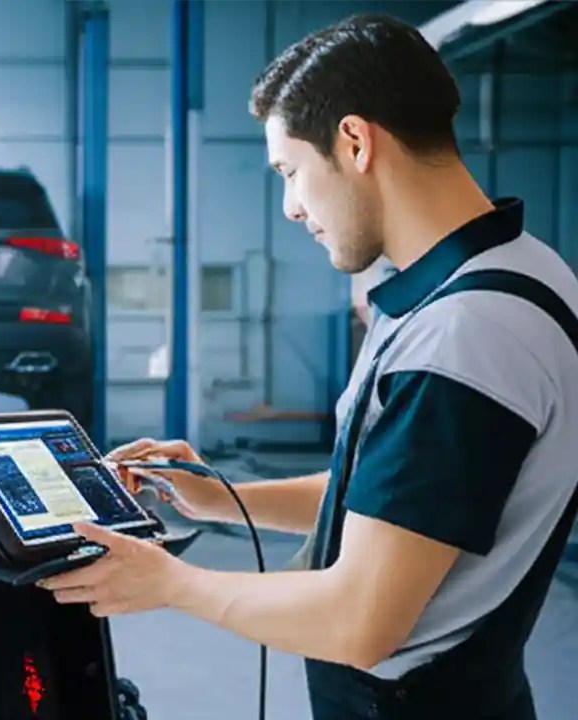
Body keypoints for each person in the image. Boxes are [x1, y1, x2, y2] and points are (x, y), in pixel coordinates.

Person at [38, 13, 578, 720]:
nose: (291, 207)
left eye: (291, 172)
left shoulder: (465, 336)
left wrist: (169, 582)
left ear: (354, 142)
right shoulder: (517, 268)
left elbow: (359, 619)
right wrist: (227, 498)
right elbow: (408, 498)